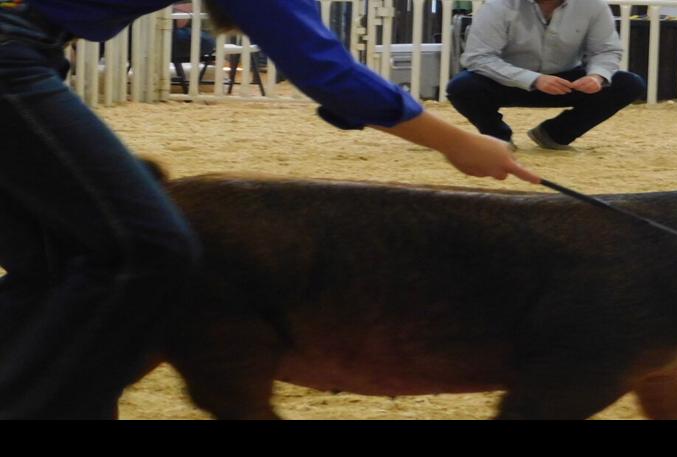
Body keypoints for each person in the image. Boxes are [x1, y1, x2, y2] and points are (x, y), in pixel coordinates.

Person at [0, 0, 540, 419]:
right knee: (148, 244)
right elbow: (324, 70)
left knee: (59, 264)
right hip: (12, 49)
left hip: (30, 45)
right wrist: (453, 141)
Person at [447, 0, 645, 152]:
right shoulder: (498, 5)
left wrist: (596, 76)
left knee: (628, 84)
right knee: (461, 87)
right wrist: (533, 79)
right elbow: (479, 57)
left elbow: (605, 50)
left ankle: (556, 134)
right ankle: (497, 136)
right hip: (505, 79)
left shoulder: (592, 5)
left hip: (565, 81)